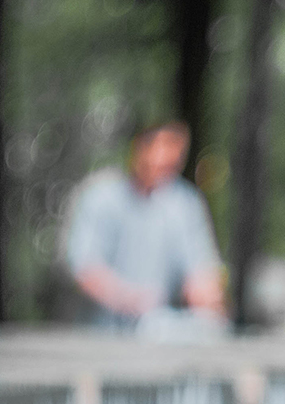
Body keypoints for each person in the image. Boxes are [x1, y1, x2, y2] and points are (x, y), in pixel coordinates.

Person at [65, 120, 226, 331]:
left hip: (155, 341)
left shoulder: (184, 204)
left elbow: (201, 270)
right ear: (139, 148)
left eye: (177, 158)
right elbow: (83, 267)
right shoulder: (100, 197)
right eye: (163, 150)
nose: (170, 162)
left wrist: (209, 297)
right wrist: (129, 299)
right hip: (99, 336)